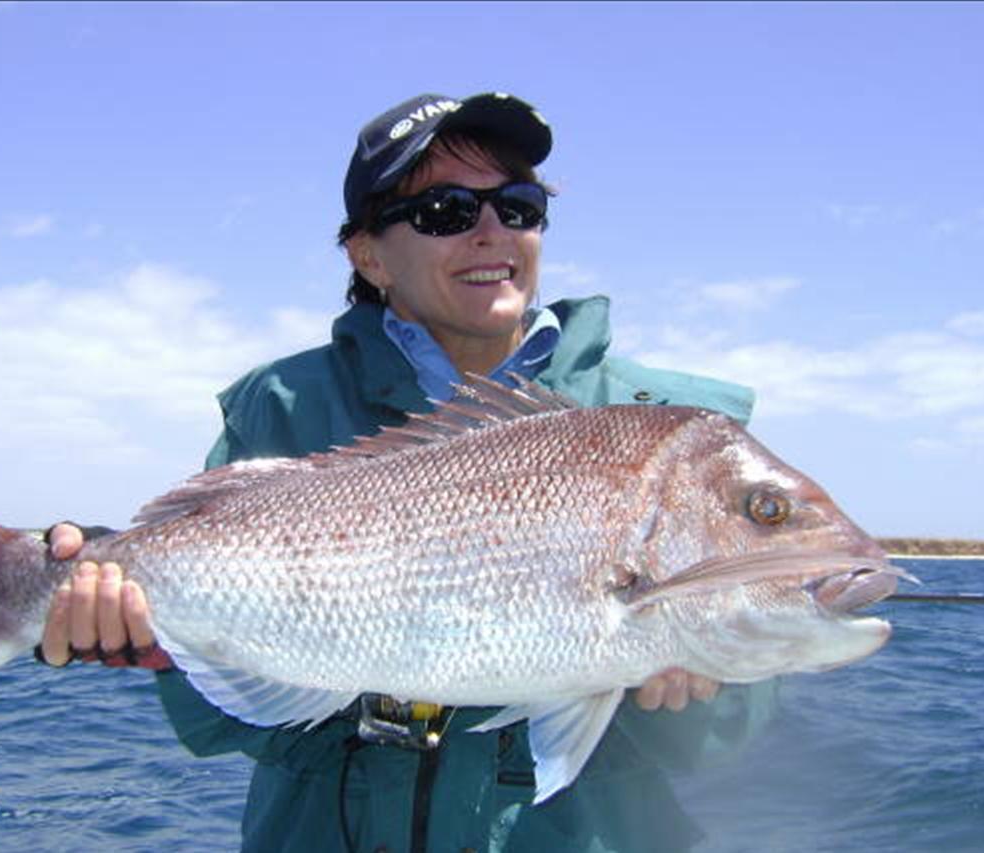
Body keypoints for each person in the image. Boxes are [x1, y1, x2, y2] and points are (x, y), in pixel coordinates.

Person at [38, 92, 778, 852]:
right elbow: (237, 723)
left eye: (518, 206)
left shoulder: (665, 422)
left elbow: (726, 744)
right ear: (369, 255)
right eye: (446, 211)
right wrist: (155, 633)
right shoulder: (285, 405)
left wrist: (695, 696)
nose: (493, 231)